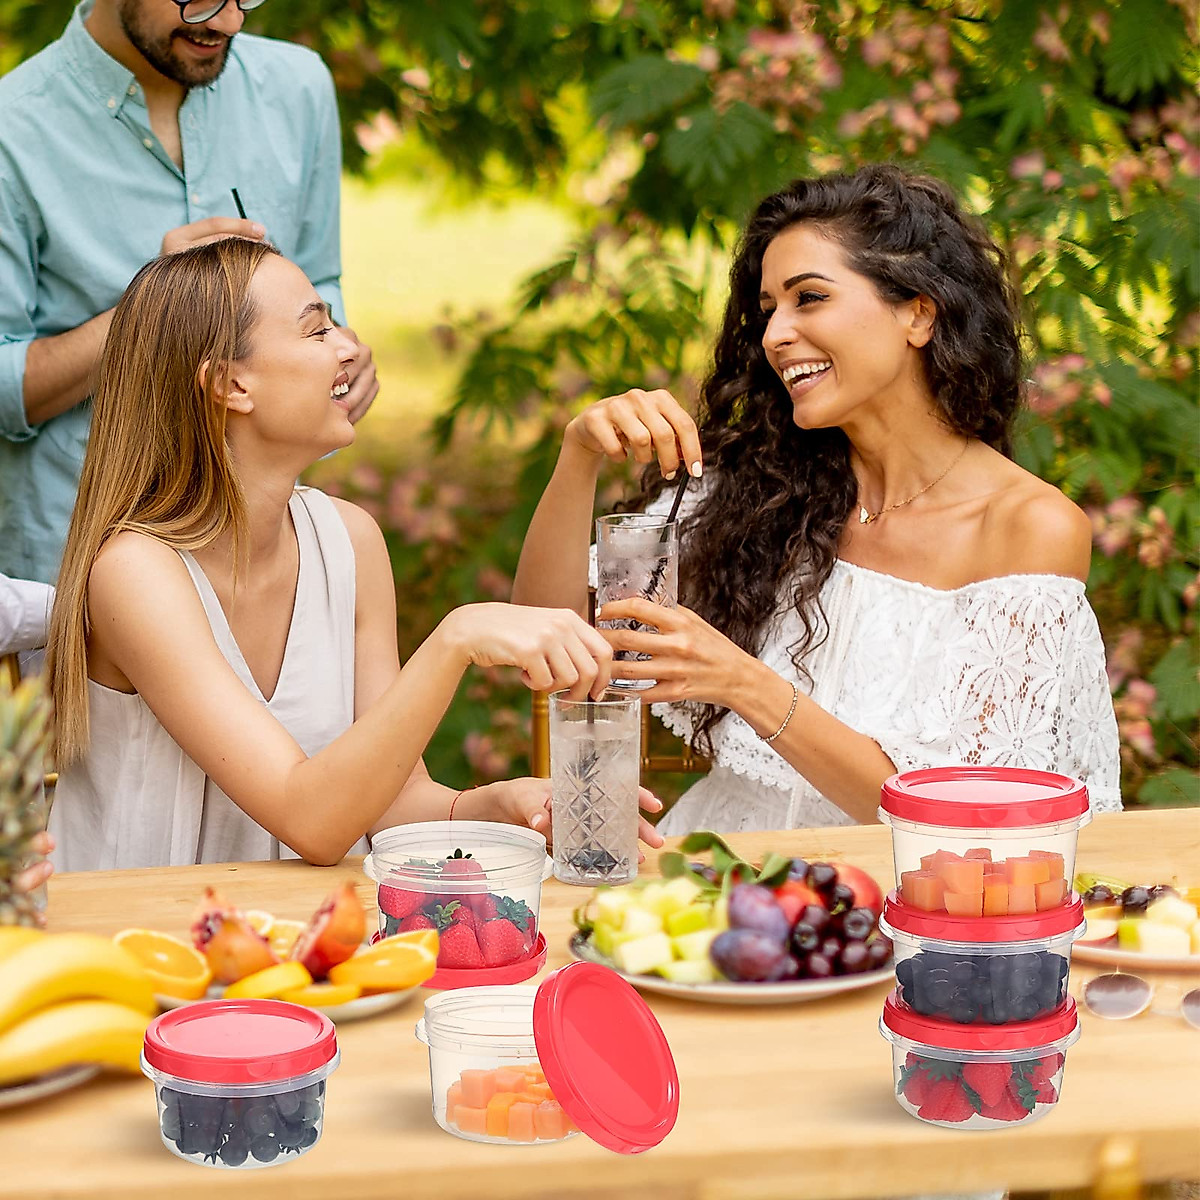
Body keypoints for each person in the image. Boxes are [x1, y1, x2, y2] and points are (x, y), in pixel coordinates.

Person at [514, 164, 1122, 834]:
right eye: (769, 309)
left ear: (918, 313)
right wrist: (579, 458)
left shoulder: (1027, 528)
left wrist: (744, 683)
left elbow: (965, 820)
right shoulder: (762, 488)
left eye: (809, 298)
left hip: (892, 891)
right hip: (714, 871)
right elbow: (542, 640)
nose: (774, 334)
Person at [46, 238, 663, 871]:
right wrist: (456, 639)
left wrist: (499, 805)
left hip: (292, 926)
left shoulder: (348, 540)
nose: (349, 348)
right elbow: (310, 822)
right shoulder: (136, 572)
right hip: (138, 928)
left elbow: (391, 803)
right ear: (231, 385)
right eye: (316, 331)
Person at [0, 0, 378, 585]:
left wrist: (334, 345)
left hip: (265, 562)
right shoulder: (12, 127)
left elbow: (320, 273)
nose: (228, 22)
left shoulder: (299, 87)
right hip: (77, 568)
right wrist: (155, 309)